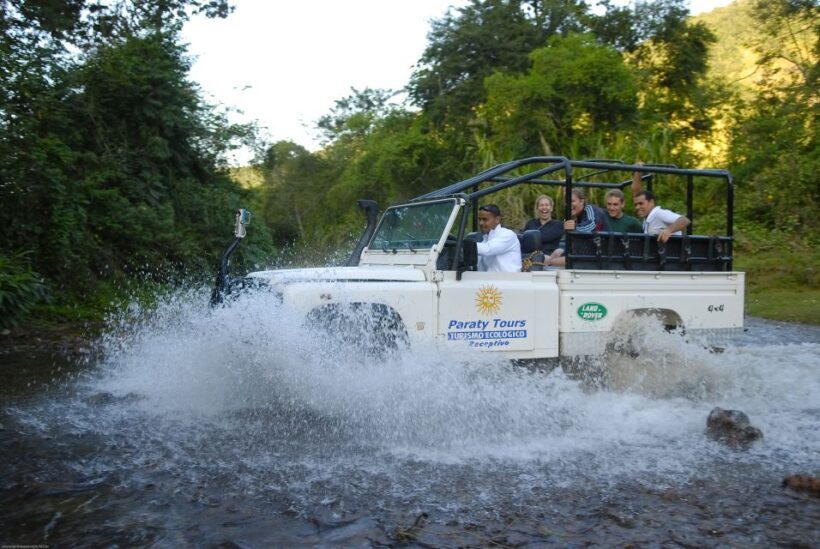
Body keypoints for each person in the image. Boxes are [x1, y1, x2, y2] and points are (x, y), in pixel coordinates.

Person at [546, 188, 610, 266]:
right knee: (556, 253)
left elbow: (590, 227)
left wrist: (574, 227)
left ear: (581, 201)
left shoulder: (591, 209)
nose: (569, 204)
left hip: (598, 255)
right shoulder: (577, 217)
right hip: (584, 252)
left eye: (572, 201)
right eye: (567, 202)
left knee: (552, 263)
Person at [476, 204, 522, 272]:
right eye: (479, 219)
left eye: (485, 219)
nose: (481, 223)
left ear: (497, 219)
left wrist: (462, 245)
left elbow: (488, 249)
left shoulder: (507, 235)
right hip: (488, 281)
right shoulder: (485, 240)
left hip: (509, 281)